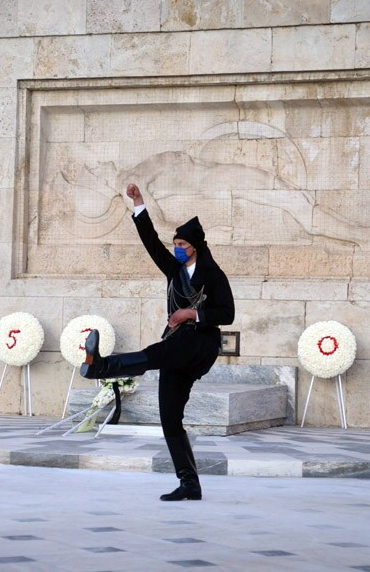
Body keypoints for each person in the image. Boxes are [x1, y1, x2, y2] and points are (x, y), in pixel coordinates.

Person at [81, 183, 235, 501]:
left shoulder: (214, 275)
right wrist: (138, 204)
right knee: (169, 417)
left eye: (182, 244)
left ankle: (101, 367)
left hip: (200, 344)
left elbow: (228, 313)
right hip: (178, 348)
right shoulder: (174, 271)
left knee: (155, 354)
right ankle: (189, 484)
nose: (177, 248)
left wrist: (191, 314)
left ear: (195, 246)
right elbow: (151, 243)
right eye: (175, 243)